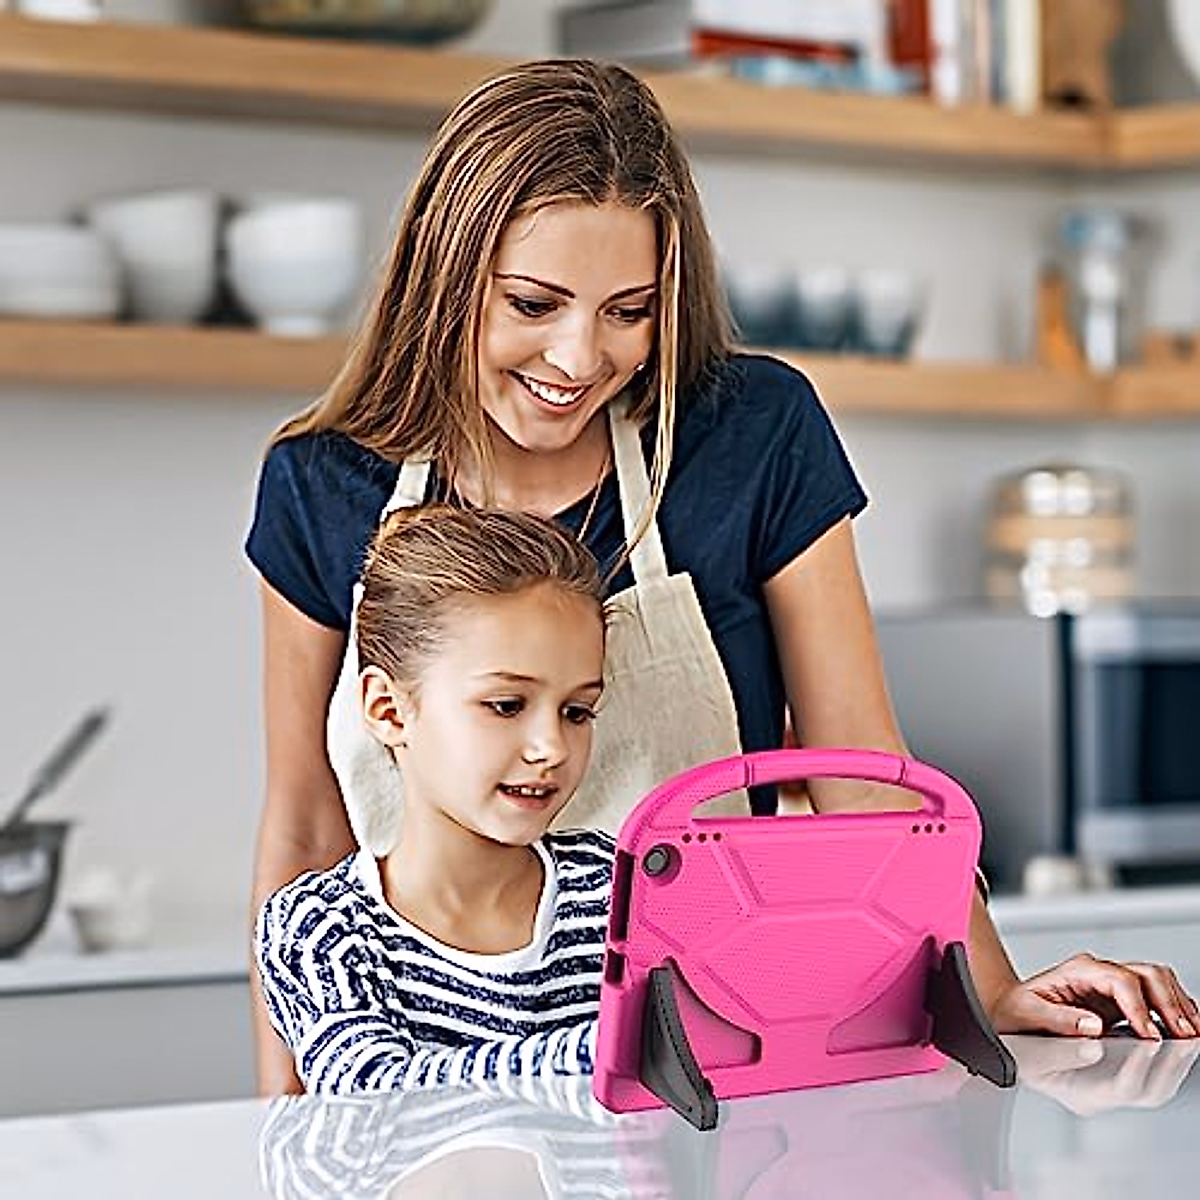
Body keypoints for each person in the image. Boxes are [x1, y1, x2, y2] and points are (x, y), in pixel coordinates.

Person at [245, 58, 1198, 1094]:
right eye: (533, 303)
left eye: (628, 311)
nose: (578, 357)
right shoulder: (323, 484)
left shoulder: (750, 437)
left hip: (708, 1067)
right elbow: (305, 824)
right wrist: (279, 1134)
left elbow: (858, 771)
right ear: (445, 274)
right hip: (418, 1100)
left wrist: (992, 992)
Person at [256, 504, 611, 1095]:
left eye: (577, 712)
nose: (551, 747)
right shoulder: (320, 928)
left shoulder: (622, 891)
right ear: (389, 710)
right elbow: (375, 1091)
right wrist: (619, 1051)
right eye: (506, 706)